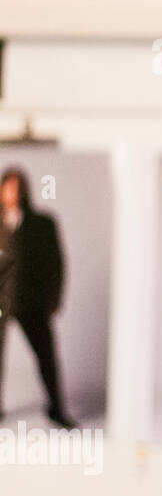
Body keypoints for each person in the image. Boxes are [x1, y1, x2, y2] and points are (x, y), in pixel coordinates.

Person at [0, 166, 75, 428]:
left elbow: (56, 264)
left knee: (46, 356)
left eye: (17, 187)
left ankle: (57, 409)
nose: (12, 193)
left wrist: (53, 300)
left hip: (32, 301)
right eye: (8, 187)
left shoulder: (43, 223)